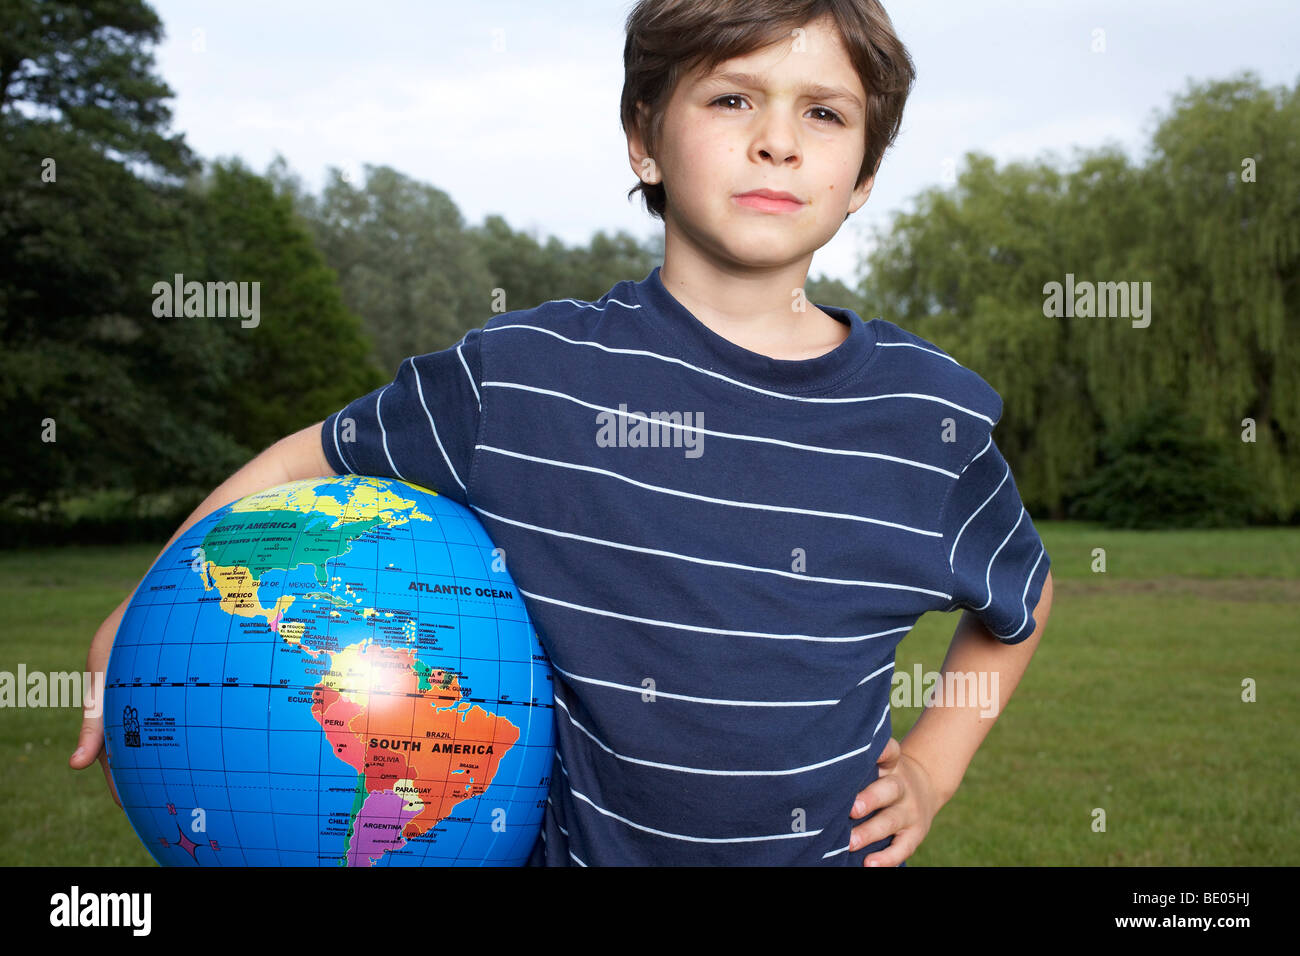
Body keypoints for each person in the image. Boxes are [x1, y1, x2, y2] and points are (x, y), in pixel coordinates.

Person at [73, 0, 1054, 866]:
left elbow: (1022, 597)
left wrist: (931, 765)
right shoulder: (522, 380)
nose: (777, 141)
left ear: (864, 173)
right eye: (731, 99)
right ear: (644, 139)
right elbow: (307, 457)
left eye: (824, 113)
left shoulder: (926, 419)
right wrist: (144, 604)